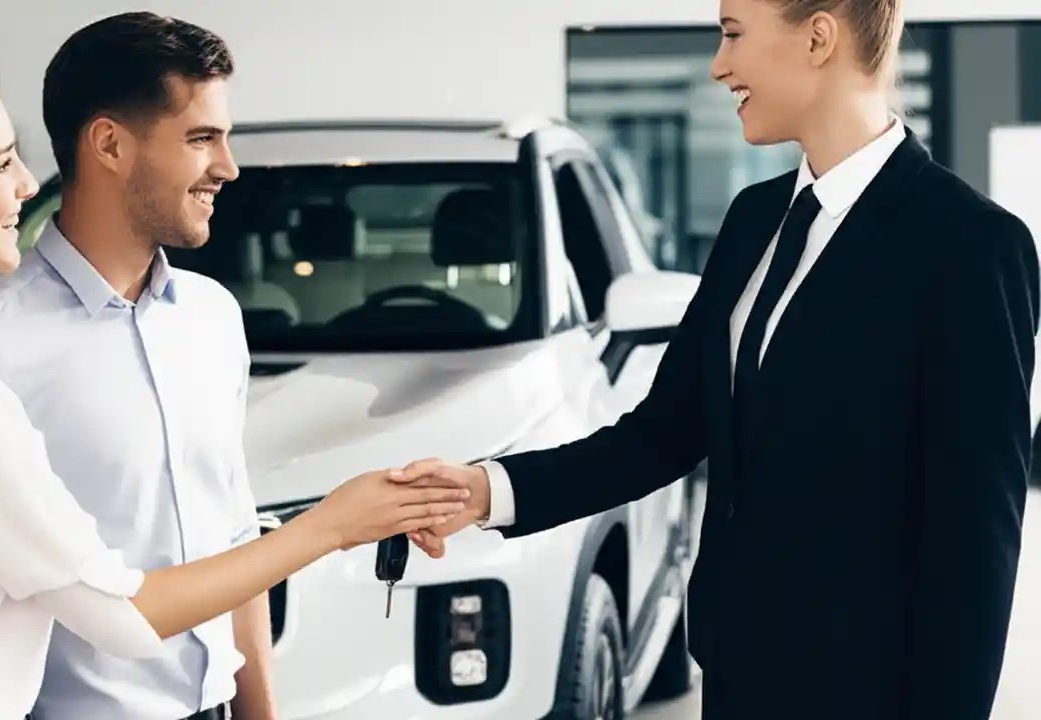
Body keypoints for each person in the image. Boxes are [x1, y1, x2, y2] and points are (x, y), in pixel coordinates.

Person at [0, 37, 467, 720]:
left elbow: (227, 534)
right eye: (2, 163)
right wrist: (333, 524)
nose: (28, 184)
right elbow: (120, 614)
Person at [393, 1, 1040, 719]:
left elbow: (975, 545)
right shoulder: (754, 220)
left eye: (733, 34)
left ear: (818, 37)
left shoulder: (970, 246)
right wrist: (488, 490)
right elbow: (663, 434)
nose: (718, 65)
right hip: (736, 675)